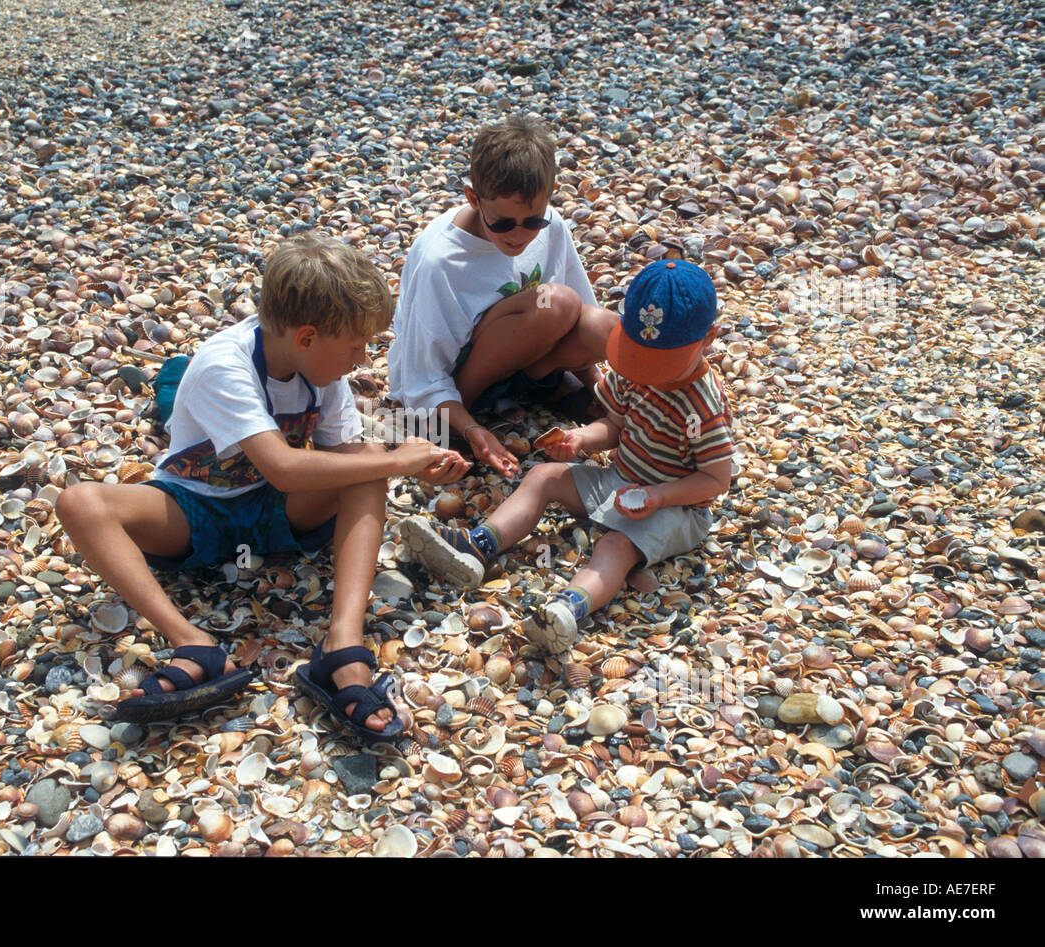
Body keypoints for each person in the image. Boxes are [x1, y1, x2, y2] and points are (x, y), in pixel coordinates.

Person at [56, 233, 469, 741]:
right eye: (357, 345)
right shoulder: (223, 364)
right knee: (79, 502)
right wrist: (398, 460)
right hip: (192, 509)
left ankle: (342, 644)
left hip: (278, 512)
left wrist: (403, 463)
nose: (362, 359)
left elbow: (342, 458)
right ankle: (194, 644)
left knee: (368, 463)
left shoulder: (323, 369)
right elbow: (283, 467)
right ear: (306, 337)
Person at [400, 259, 737, 654]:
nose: (646, 373)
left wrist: (659, 497)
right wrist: (581, 439)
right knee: (544, 476)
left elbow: (716, 481)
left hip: (676, 508)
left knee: (615, 545)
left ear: (709, 337)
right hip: (620, 480)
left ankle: (568, 609)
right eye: (639, 357)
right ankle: (477, 546)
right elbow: (613, 426)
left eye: (658, 364)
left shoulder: (703, 408)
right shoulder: (633, 372)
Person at [386, 113, 616, 479]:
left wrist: (601, 396)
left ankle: (553, 388)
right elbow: (422, 375)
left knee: (608, 328)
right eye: (503, 223)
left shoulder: (551, 225)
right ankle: (465, 416)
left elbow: (583, 318)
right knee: (556, 303)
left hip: (527, 356)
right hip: (460, 380)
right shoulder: (443, 260)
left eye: (533, 220)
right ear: (473, 199)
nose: (519, 235)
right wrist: (472, 429)